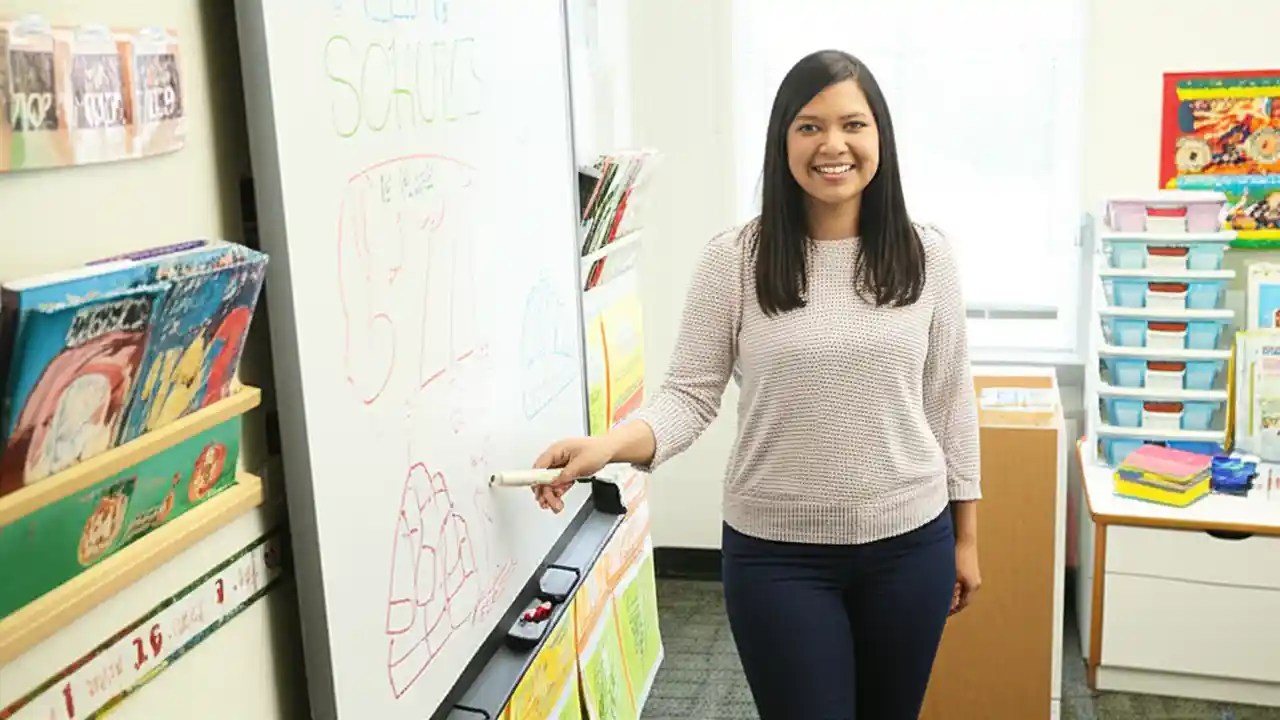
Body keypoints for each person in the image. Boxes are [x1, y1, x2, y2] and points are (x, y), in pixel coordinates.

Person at [531, 49, 982, 720]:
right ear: (783, 142)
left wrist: (966, 539)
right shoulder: (735, 260)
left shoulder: (927, 257)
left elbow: (950, 403)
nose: (834, 145)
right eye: (809, 126)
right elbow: (689, 395)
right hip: (779, 558)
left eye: (853, 124)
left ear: (879, 137)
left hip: (910, 546)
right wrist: (609, 447)